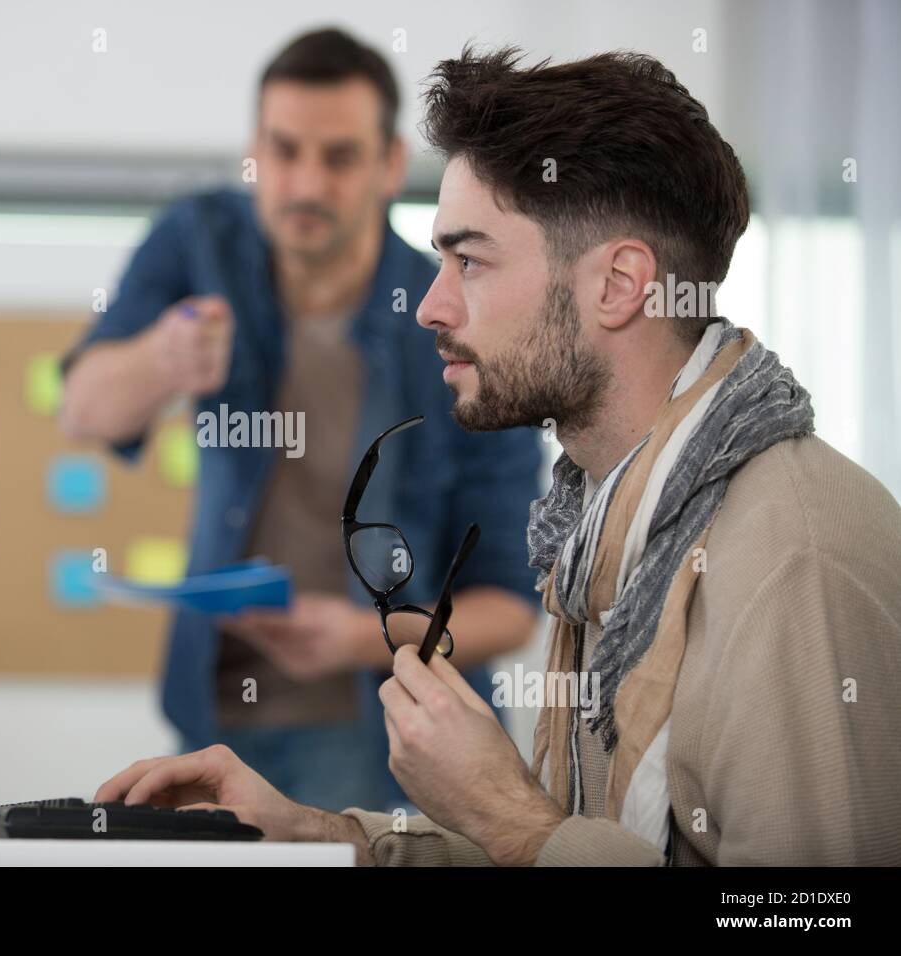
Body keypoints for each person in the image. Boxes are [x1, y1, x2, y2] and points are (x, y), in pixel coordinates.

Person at [92, 46, 901, 865]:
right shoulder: (602, 532)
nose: (431, 305)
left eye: (470, 260)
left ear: (619, 285)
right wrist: (319, 834)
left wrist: (510, 815)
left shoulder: (796, 557)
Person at [59, 29, 542, 812]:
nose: (306, 183)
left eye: (340, 157)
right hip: (215, 708)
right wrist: (163, 360)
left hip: (387, 736)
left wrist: (355, 638)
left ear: (389, 165)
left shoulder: (457, 323)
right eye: (284, 151)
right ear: (254, 152)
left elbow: (511, 608)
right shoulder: (199, 240)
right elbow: (82, 407)